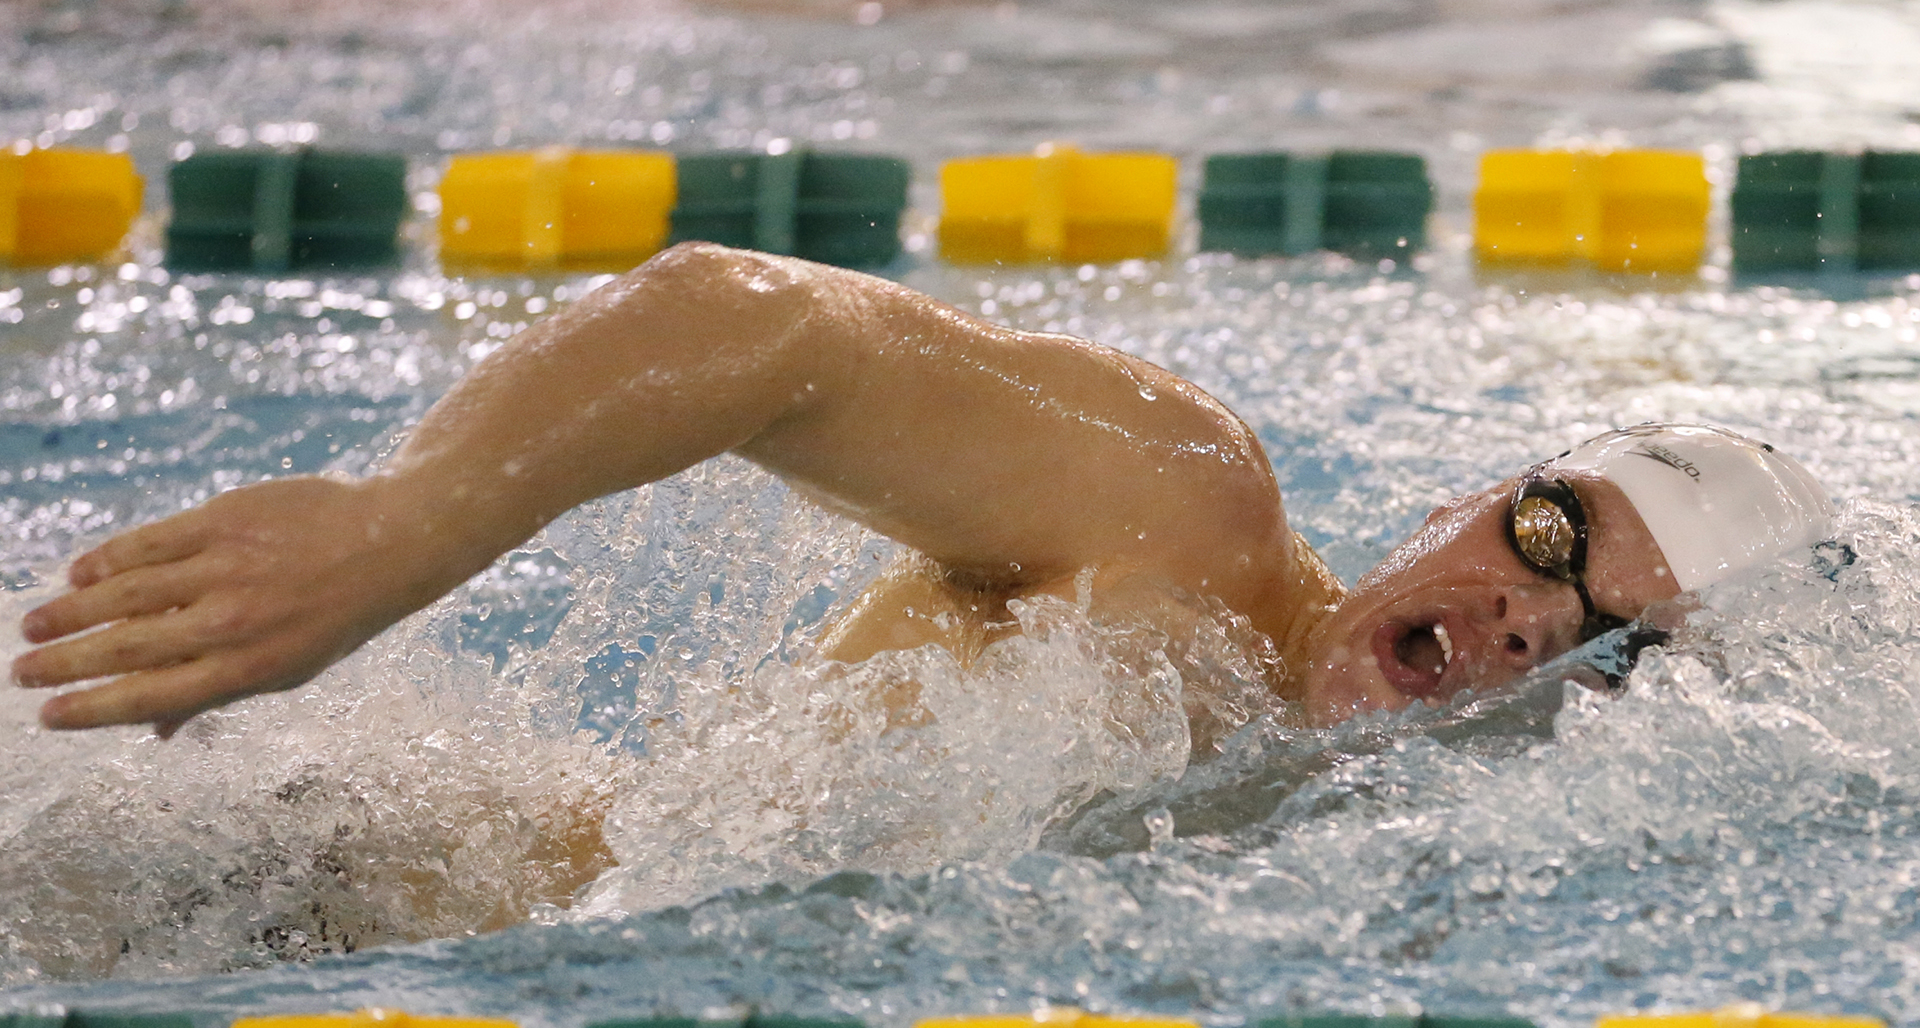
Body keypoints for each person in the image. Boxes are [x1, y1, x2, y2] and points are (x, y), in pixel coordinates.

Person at [9, 244, 1835, 736]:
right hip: (365, 892)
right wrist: (402, 528)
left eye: (1606, 644)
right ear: (1478, 497)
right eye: (1550, 540)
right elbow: (750, 320)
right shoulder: (1183, 516)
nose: (1527, 612)